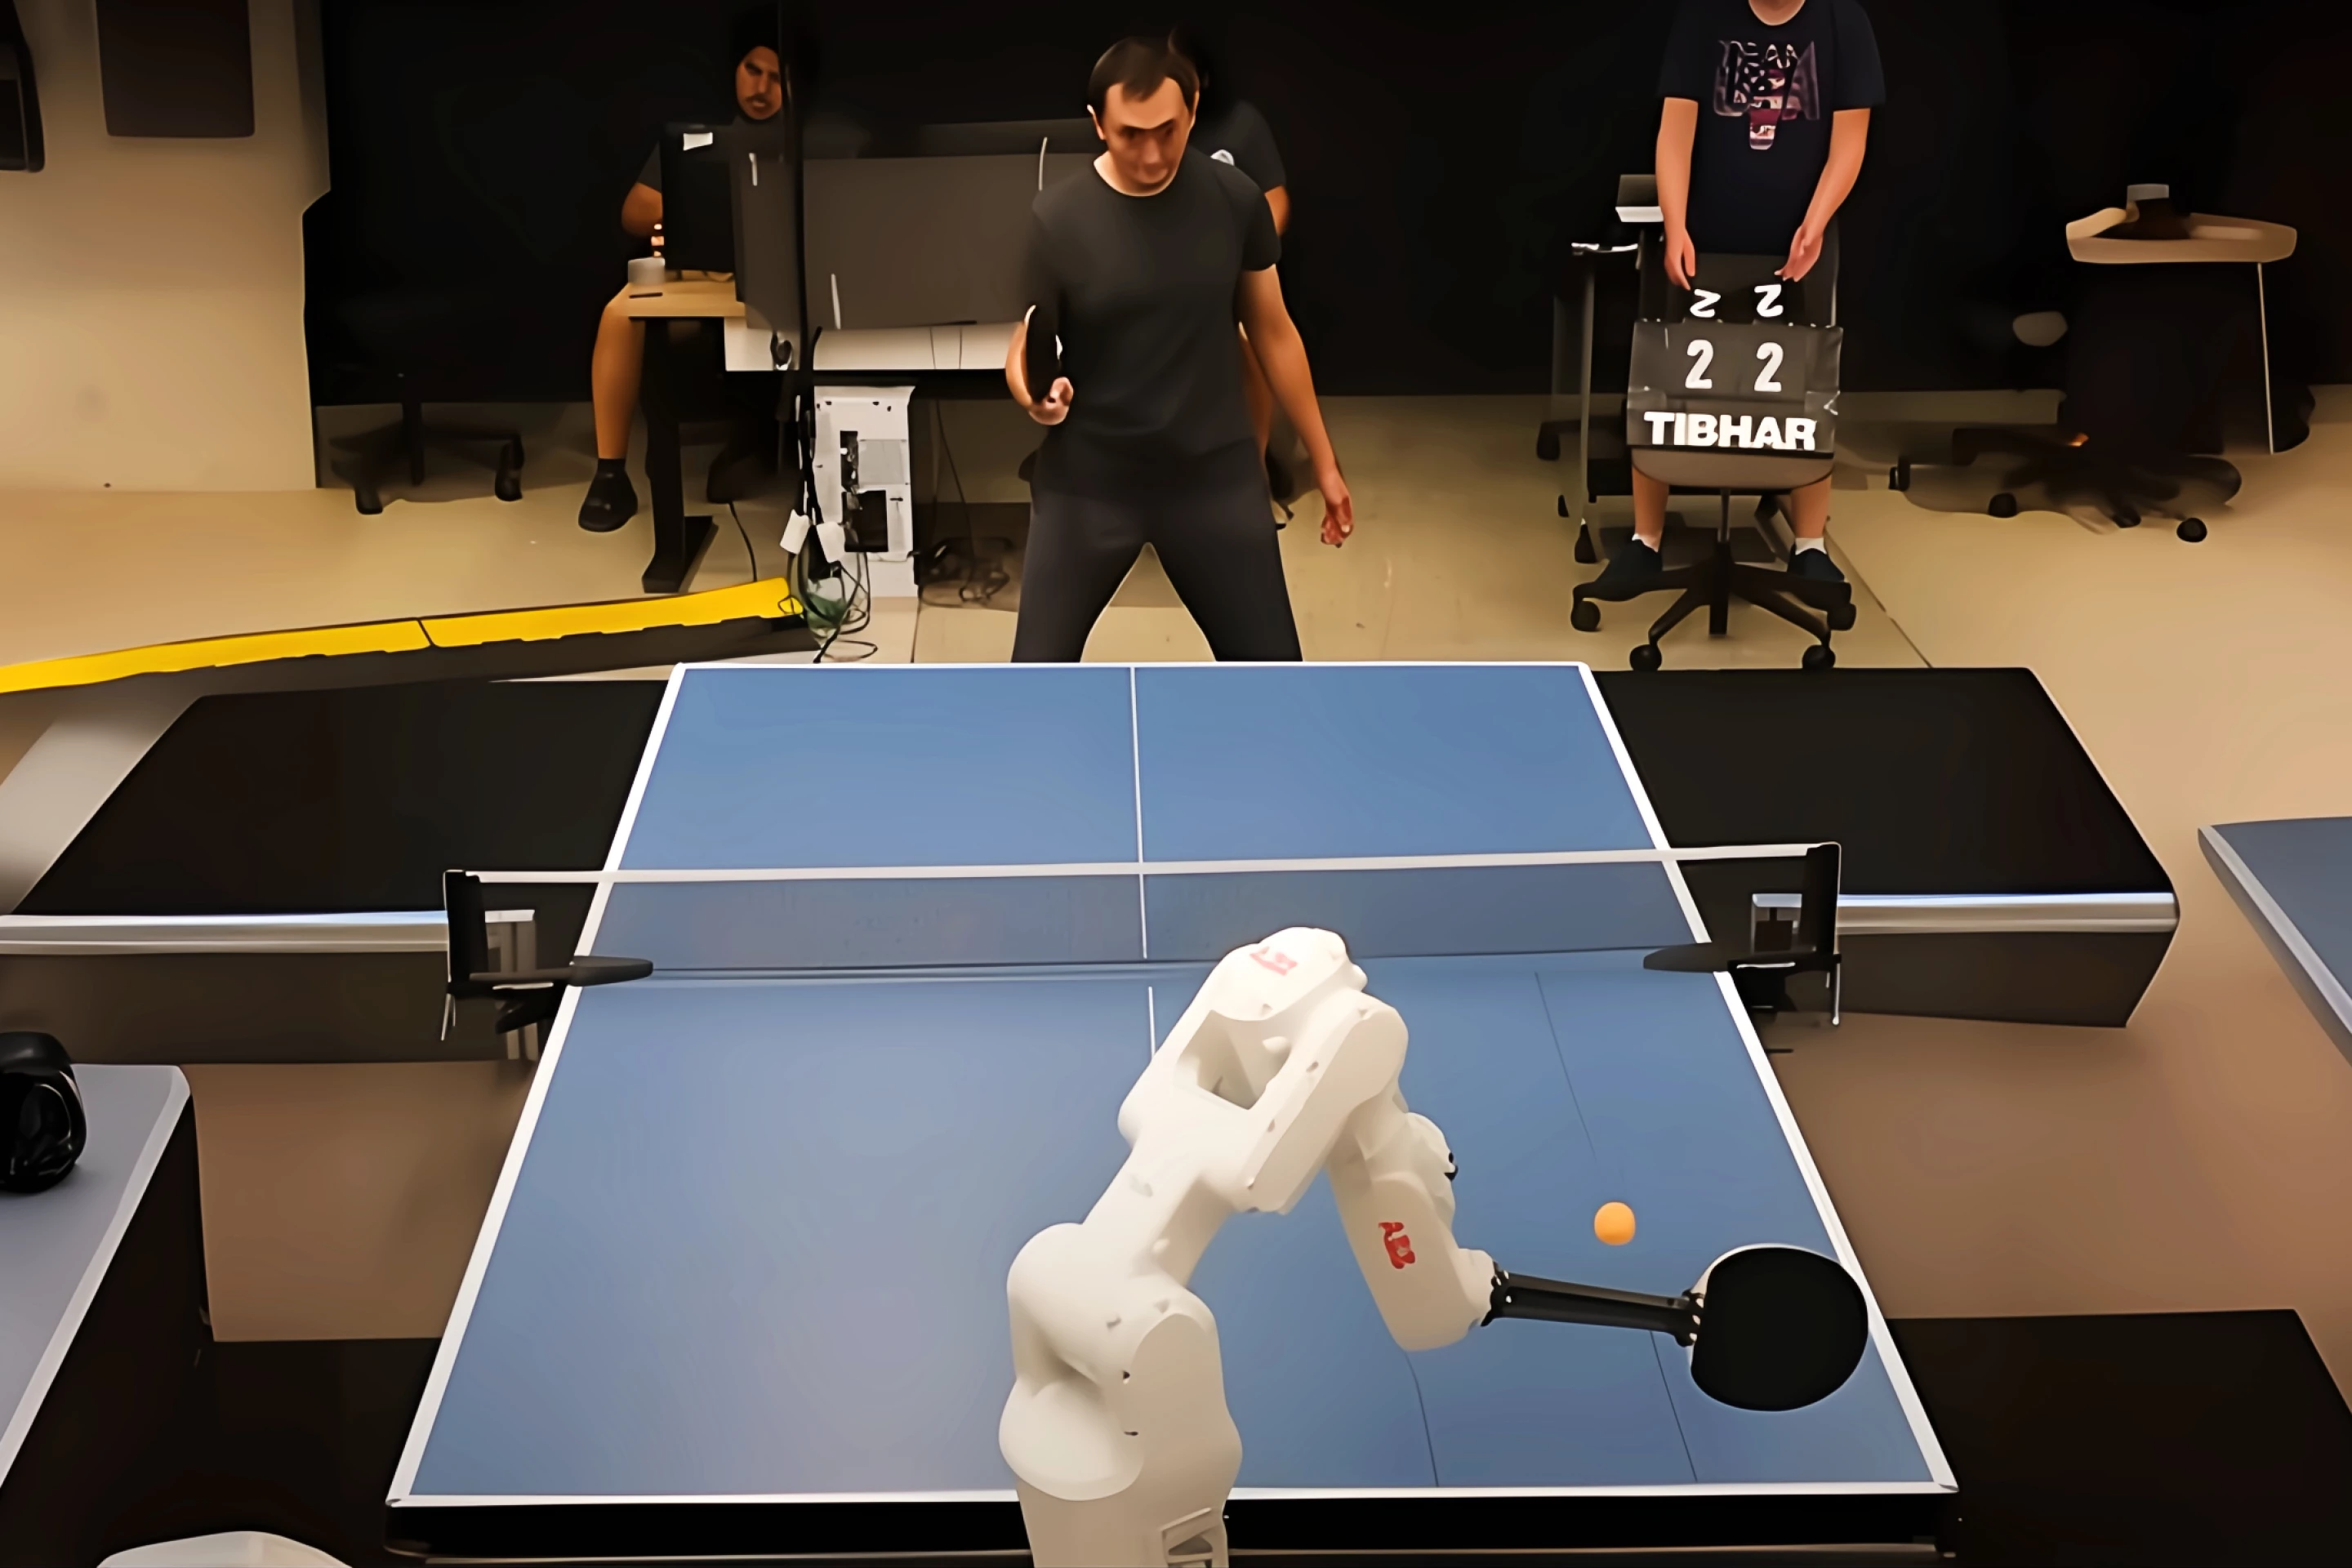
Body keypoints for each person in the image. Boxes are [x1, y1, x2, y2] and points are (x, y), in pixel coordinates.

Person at [1005, 37, 1352, 663]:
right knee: (1035, 678)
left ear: (1192, 110)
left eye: (1167, 131)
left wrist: (1325, 465)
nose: (1151, 153)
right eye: (1130, 134)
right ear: (1098, 125)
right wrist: (1037, 398)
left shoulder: (1234, 199)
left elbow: (1273, 330)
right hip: (1089, 484)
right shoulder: (1057, 217)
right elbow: (1026, 343)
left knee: (1274, 678)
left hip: (1213, 479)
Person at [1594, 0, 1882, 590]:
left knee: (1807, 389)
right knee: (1667, 379)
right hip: (1703, 236)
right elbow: (1675, 133)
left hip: (1800, 243)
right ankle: (1645, 537)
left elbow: (1849, 142)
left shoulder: (1841, 20)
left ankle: (1809, 543)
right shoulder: (1704, 15)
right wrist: (1674, 226)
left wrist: (1817, 222)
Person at [578, 12, 788, 533]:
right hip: (706, 286)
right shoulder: (701, 141)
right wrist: (691, 213)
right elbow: (634, 210)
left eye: (776, 77)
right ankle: (611, 477)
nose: (760, 88)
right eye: (752, 70)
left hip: (788, 286)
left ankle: (776, 439)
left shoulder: (820, 140)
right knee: (621, 313)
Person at [1169, 26, 1300, 499]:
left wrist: (1243, 246)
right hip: (1166, 272)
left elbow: (1277, 200)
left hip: (1230, 270)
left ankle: (1254, 466)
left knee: (1250, 339)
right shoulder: (1155, 128)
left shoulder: (1240, 122)